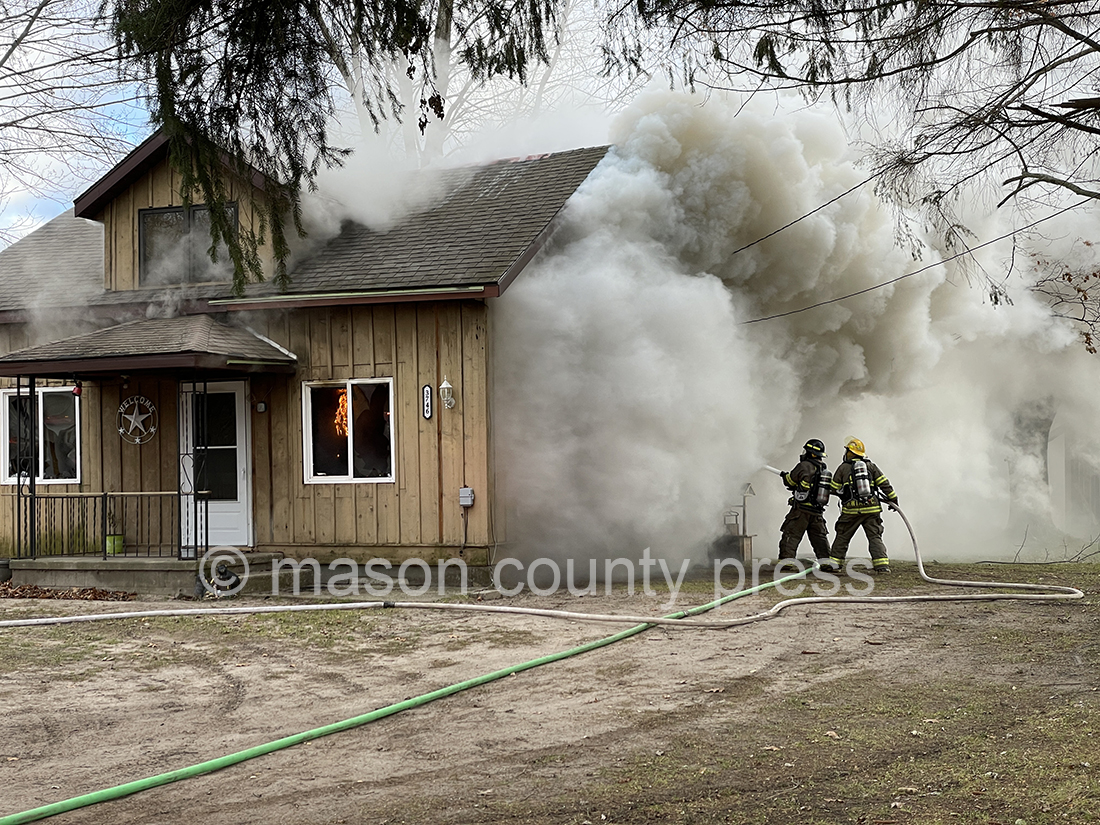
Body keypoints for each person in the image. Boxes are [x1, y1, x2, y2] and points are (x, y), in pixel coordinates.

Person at [827, 437, 899, 574]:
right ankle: (882, 566)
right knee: (874, 536)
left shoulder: (843, 468)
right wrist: (893, 498)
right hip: (872, 509)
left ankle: (835, 565)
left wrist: (843, 493)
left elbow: (834, 488)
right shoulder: (871, 466)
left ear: (850, 452)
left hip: (851, 511)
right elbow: (884, 483)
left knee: (843, 536)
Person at [777, 438, 833, 568]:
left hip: (801, 510)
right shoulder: (823, 467)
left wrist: (785, 476)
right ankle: (826, 563)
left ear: (811, 453)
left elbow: (790, 482)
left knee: (791, 535)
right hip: (817, 511)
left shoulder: (803, 466)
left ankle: (786, 562)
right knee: (819, 538)